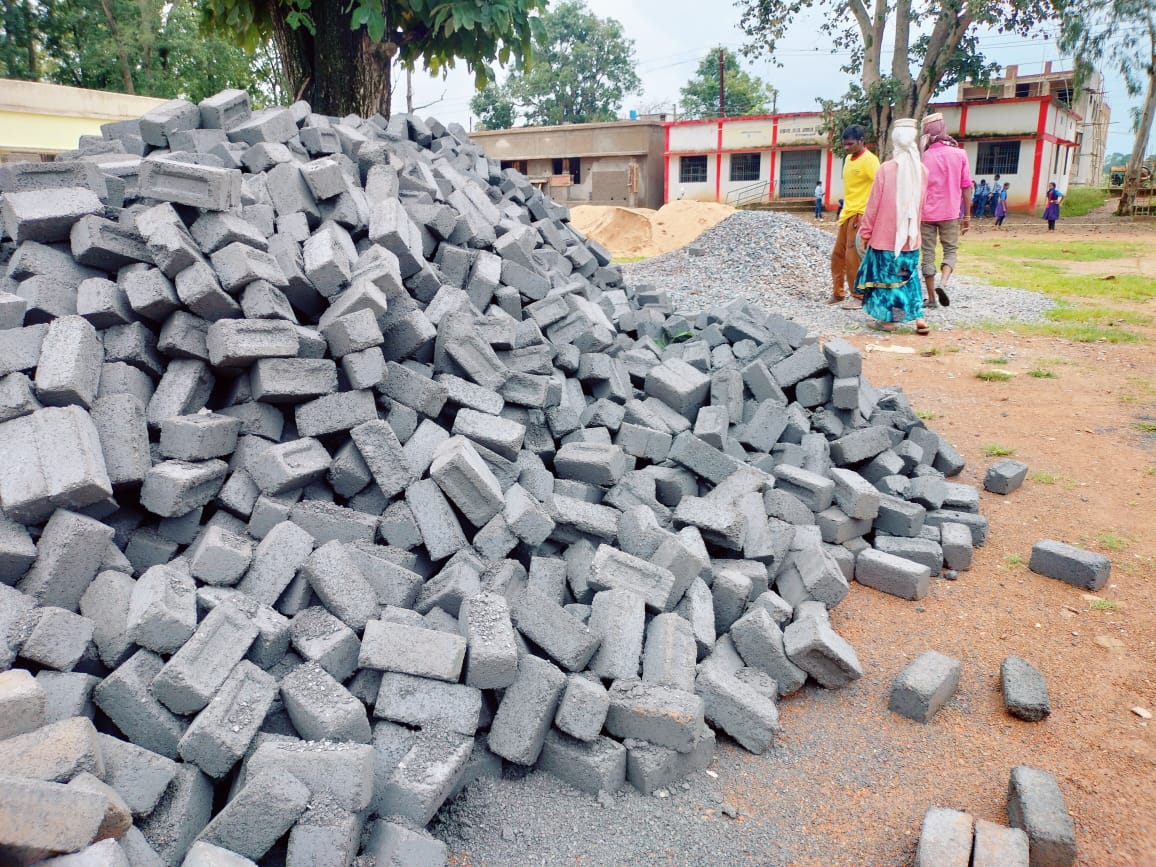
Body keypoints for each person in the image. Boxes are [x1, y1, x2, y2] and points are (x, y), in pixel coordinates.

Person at [854, 118, 930, 334]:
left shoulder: (886, 169)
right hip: (910, 240)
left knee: (889, 282)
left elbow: (873, 205)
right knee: (907, 277)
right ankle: (920, 318)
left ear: (895, 141)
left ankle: (890, 321)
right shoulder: (922, 171)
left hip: (885, 241)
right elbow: (922, 205)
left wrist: (865, 232)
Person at [919, 112, 973, 309]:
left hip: (925, 214)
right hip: (950, 212)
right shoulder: (959, 154)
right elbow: (966, 186)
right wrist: (967, 215)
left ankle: (932, 298)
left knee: (927, 254)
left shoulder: (922, 157)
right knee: (950, 250)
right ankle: (943, 283)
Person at [827, 125, 880, 305]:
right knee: (837, 255)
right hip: (847, 213)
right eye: (844, 145)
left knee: (852, 258)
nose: (846, 148)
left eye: (850, 144)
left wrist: (872, 216)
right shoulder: (849, 159)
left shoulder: (870, 161)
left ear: (860, 141)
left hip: (860, 214)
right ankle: (838, 292)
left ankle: (858, 295)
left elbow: (881, 186)